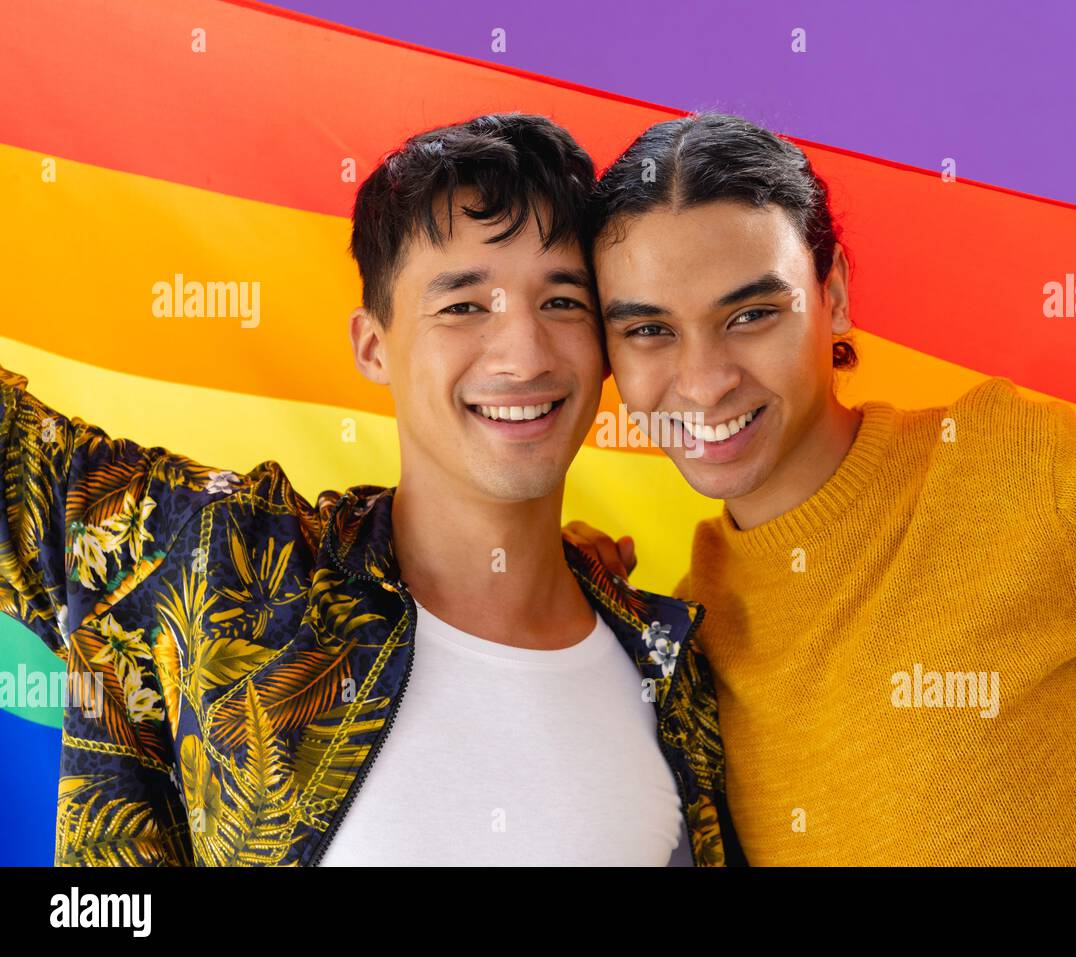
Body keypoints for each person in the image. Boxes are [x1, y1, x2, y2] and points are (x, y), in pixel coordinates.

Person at [0, 113, 743, 866]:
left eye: (562, 302)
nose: (524, 354)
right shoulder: (223, 563)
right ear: (373, 345)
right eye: (461, 305)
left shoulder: (675, 670)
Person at [572, 111, 1076, 865]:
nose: (703, 381)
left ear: (836, 293)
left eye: (752, 314)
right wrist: (549, 593)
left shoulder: (1017, 470)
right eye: (650, 330)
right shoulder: (679, 646)